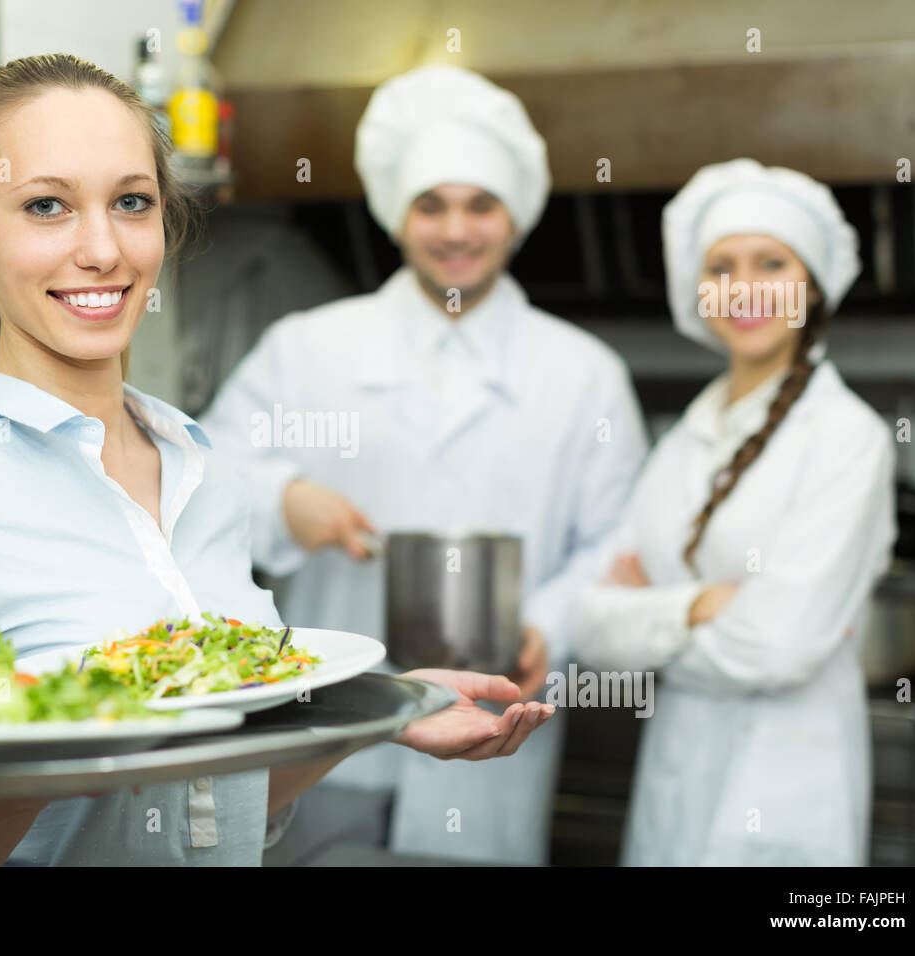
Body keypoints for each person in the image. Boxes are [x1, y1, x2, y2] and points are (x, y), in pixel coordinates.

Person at [0, 54, 556, 867]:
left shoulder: (204, 476)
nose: (102, 249)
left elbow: (212, 807)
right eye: (46, 206)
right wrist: (17, 785)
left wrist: (379, 718)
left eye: (131, 202)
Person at [199, 65, 647, 864]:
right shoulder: (308, 348)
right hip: (334, 728)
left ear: (515, 217)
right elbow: (202, 477)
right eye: (431, 205)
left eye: (481, 205)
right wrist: (284, 499)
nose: (456, 229)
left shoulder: (583, 375)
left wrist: (550, 622)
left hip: (491, 726)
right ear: (396, 217)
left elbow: (618, 546)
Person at [568, 158, 896, 865]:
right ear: (699, 293)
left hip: (785, 779)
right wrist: (702, 606)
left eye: (771, 263)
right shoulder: (686, 438)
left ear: (810, 288)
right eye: (721, 267)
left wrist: (653, 610)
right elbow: (591, 624)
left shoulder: (847, 438)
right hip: (675, 768)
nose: (744, 288)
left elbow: (775, 647)